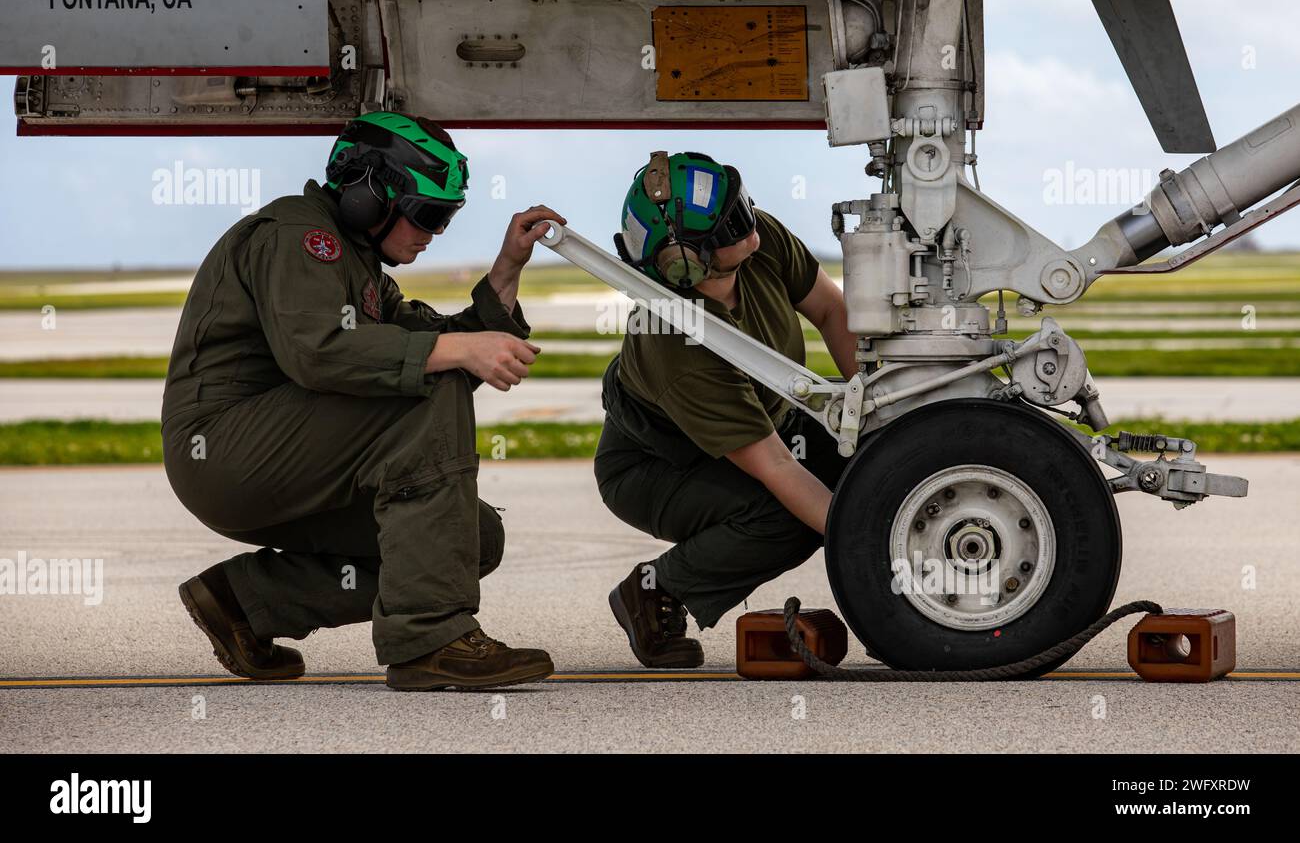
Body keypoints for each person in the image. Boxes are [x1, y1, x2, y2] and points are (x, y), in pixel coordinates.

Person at [162, 111, 565, 690]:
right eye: (428, 213)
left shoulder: (357, 262)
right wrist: (455, 351)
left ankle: (244, 603)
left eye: (447, 216)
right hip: (225, 451)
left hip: (276, 457)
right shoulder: (301, 237)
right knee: (435, 376)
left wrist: (506, 270)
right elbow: (318, 352)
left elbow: (428, 341)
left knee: (470, 540)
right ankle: (431, 638)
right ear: (368, 194)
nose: (436, 232)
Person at [595, 151, 860, 667]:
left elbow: (831, 309)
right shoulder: (679, 345)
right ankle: (655, 590)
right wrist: (874, 547)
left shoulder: (759, 240)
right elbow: (778, 467)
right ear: (687, 260)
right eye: (734, 221)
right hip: (660, 468)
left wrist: (880, 415)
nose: (751, 221)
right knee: (789, 518)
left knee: (868, 452)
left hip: (774, 421)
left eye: (742, 206)